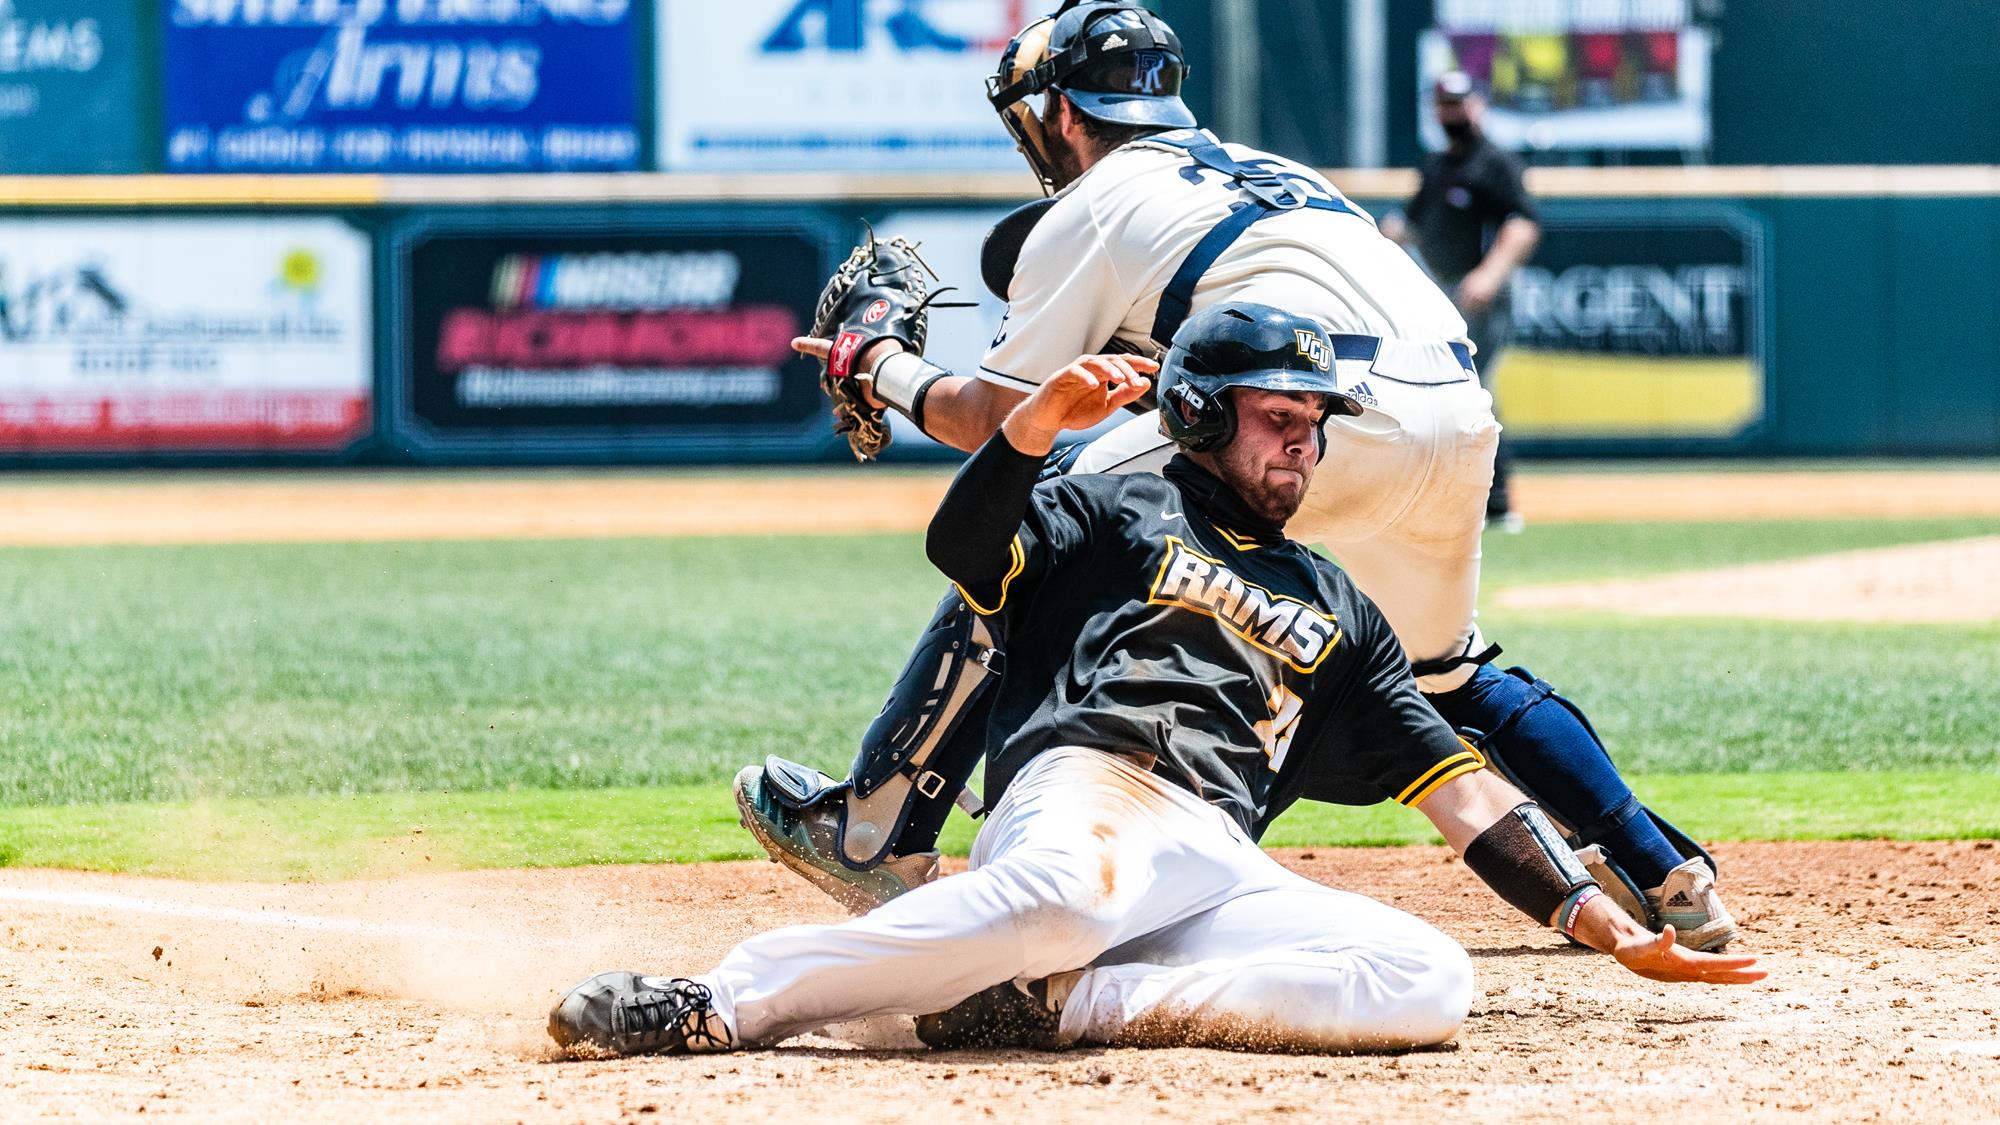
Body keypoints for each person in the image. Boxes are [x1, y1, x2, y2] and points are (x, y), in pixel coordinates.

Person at [742, 1, 1736, 954]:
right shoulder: (1275, 172)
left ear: (1060, 113)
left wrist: (875, 362)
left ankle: (876, 827)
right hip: (1453, 407)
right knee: (1446, 672)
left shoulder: (1090, 206)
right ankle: (1663, 874)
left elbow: (993, 423)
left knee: (1039, 521)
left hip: (1307, 404)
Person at [548, 310, 1763, 1058]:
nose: (1302, 439)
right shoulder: (1115, 508)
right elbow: (964, 551)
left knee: (1422, 980)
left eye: (1313, 419)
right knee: (1065, 896)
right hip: (1084, 794)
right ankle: (718, 1000)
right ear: (1196, 411)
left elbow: (1468, 796)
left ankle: (1061, 1005)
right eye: (1276, 415)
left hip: (1214, 856)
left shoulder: (1338, 604)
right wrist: (1029, 432)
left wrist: (1614, 931)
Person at [1379, 70, 1541, 531]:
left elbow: (1523, 224)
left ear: (1478, 105)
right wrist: (1394, 231)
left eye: (1459, 102)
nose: (1451, 112)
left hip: (1478, 293)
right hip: (1440, 292)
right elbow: (1413, 224)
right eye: (1444, 104)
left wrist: (1490, 273)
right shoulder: (1437, 164)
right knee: (1442, 389)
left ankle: (1497, 499)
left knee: (1471, 388)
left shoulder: (1494, 162)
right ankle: (1460, 498)